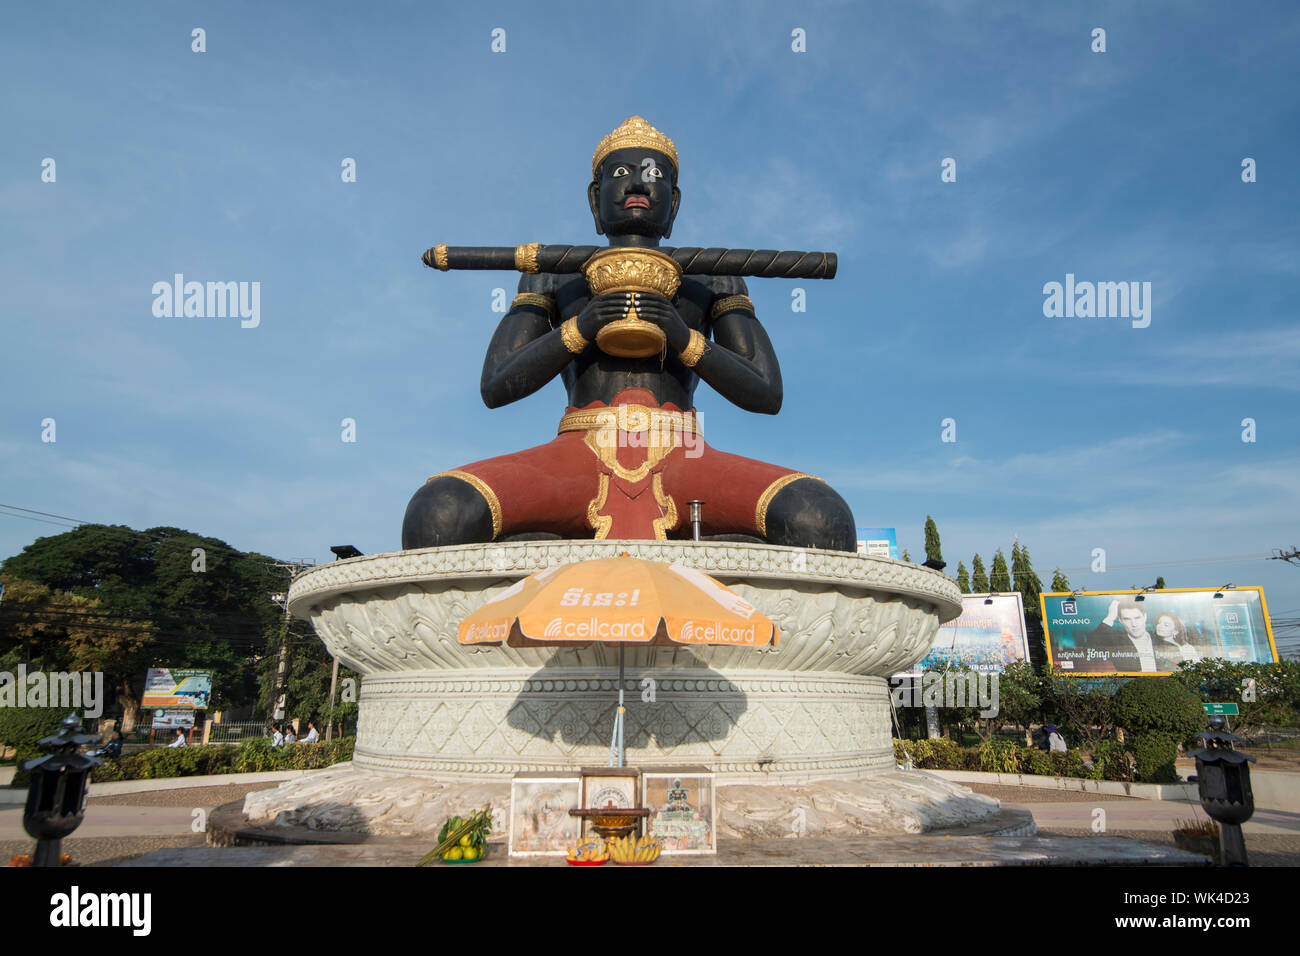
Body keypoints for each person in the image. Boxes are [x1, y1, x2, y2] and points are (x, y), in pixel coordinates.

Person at [402, 116, 856, 551]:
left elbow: (766, 394)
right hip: (575, 455)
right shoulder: (552, 275)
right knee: (440, 512)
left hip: (687, 454)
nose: (639, 184)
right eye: (622, 173)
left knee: (818, 515)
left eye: (654, 174)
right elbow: (497, 386)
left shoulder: (715, 277)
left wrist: (682, 337)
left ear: (673, 203)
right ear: (594, 199)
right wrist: (581, 327)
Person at [1082, 598, 1159, 673]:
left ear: (1145, 616)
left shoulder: (1161, 640)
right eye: (1127, 619)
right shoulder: (1116, 644)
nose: (1134, 624)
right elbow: (1089, 647)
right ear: (1120, 620)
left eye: (1137, 618)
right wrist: (1110, 618)